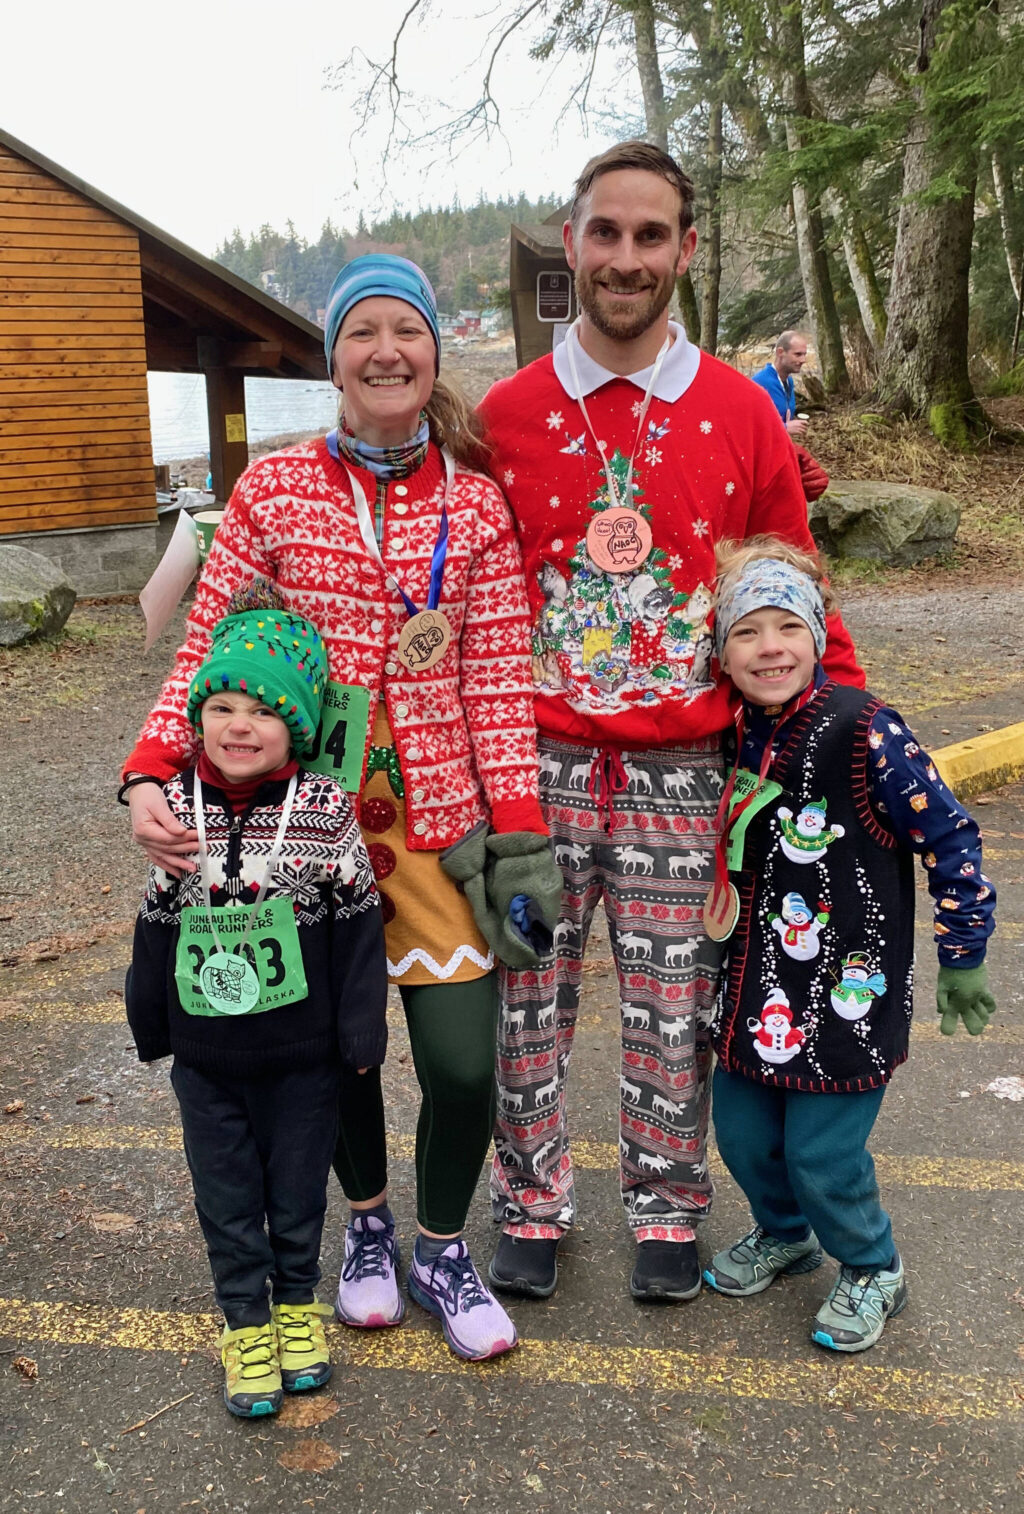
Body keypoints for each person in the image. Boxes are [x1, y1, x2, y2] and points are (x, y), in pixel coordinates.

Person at [122, 253, 561, 1363]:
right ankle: (365, 1228)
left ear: (432, 351)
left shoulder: (475, 500)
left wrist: (516, 835)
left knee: (463, 1062)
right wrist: (147, 771)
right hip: (303, 825)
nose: (385, 351)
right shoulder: (273, 490)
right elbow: (204, 646)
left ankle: (443, 1245)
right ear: (333, 361)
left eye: (404, 331)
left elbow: (500, 674)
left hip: (438, 822)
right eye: (361, 332)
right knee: (335, 1051)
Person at [478, 140, 864, 1305]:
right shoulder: (508, 414)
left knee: (674, 1007)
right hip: (537, 768)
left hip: (686, 771)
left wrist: (858, 737)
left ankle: (666, 1203)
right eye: (607, 233)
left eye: (653, 236)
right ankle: (531, 1201)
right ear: (572, 241)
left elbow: (793, 585)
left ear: (685, 250)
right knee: (524, 996)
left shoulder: (742, 412)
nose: (628, 258)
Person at [702, 537, 996, 1351]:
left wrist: (963, 951)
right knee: (743, 1136)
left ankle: (873, 1265)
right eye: (747, 631)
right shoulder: (731, 733)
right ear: (721, 652)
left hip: (846, 996)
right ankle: (785, 1231)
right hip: (755, 990)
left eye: (787, 627)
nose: (770, 648)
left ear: (819, 635)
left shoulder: (866, 730)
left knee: (824, 1153)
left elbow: (952, 836)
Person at [124, 590, 388, 1416]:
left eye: (264, 711)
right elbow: (155, 922)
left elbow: (355, 921)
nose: (239, 725)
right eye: (222, 705)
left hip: (304, 1059)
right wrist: (151, 1023)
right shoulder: (176, 812)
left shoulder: (321, 811)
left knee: (298, 1190)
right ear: (199, 716)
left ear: (298, 728)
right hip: (208, 1062)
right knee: (227, 1196)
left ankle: (297, 1309)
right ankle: (245, 1323)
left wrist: (360, 1027)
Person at [752, 332, 809, 438]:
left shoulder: (788, 381)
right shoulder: (760, 383)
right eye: (798, 354)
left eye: (804, 354)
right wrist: (785, 427)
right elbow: (750, 425)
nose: (803, 360)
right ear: (780, 352)